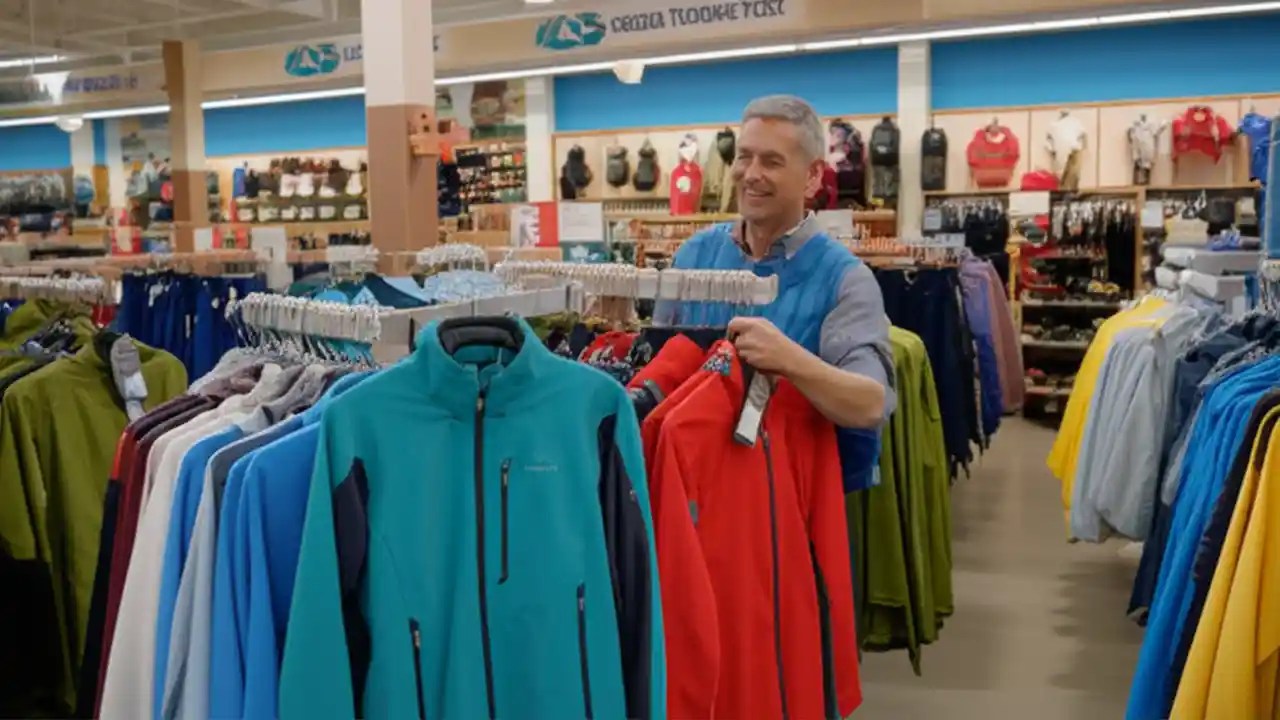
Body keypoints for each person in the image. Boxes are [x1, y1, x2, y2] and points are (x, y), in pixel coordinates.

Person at [655, 94, 895, 488]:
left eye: (771, 161)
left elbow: (870, 404)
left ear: (813, 176)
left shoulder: (844, 279)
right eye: (744, 157)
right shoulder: (694, 255)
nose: (751, 173)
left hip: (790, 511)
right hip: (689, 494)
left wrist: (790, 360)